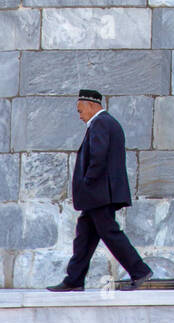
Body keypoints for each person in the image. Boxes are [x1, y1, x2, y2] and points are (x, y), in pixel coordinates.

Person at [46, 89, 153, 292]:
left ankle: (140, 271)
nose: (79, 116)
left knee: (110, 233)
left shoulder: (101, 123)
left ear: (91, 105)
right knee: (84, 237)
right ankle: (74, 279)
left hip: (98, 193)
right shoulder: (103, 123)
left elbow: (99, 155)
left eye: (80, 111)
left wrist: (88, 181)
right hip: (97, 194)